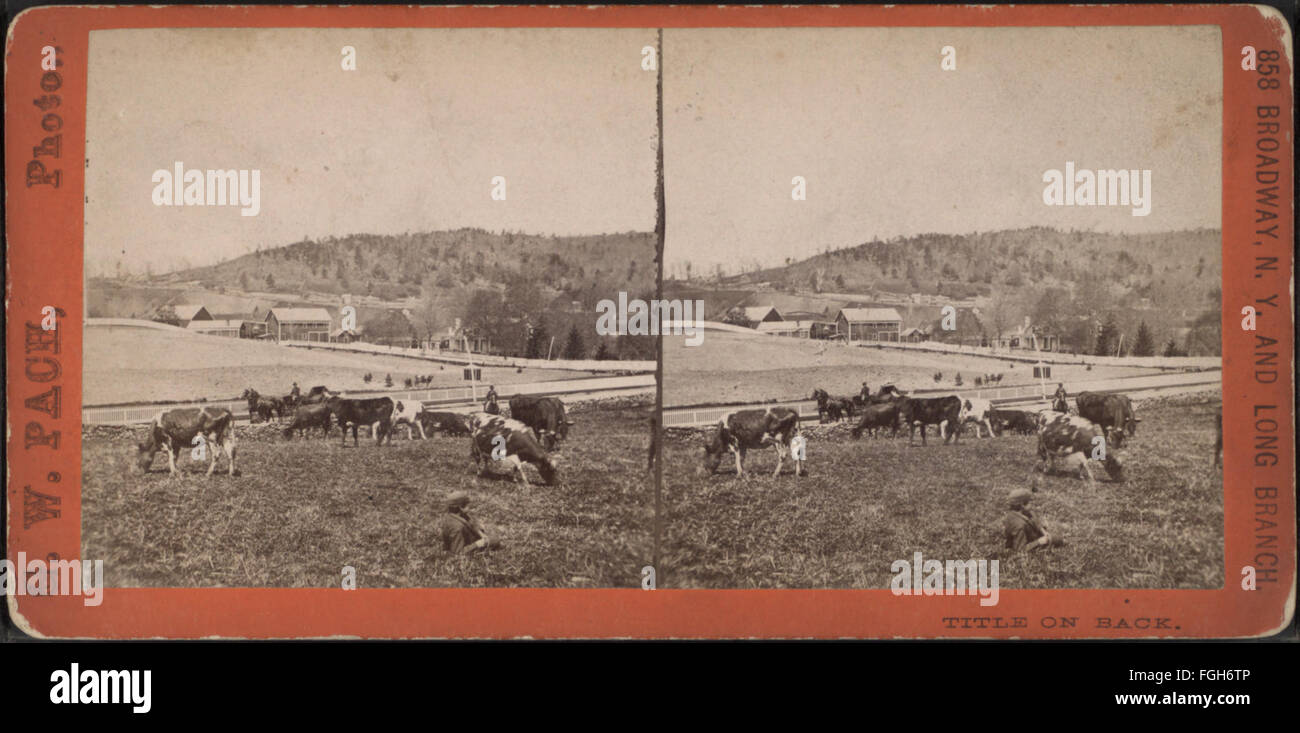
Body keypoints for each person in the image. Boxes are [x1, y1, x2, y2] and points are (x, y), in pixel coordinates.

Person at [1002, 486, 1061, 552]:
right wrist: (1039, 541)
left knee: (1057, 538)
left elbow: (1034, 519)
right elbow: (1021, 549)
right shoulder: (1019, 525)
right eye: (1030, 502)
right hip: (1027, 543)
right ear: (1022, 505)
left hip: (1032, 536)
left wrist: (1043, 531)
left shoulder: (1024, 512)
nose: (1032, 504)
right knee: (1056, 540)